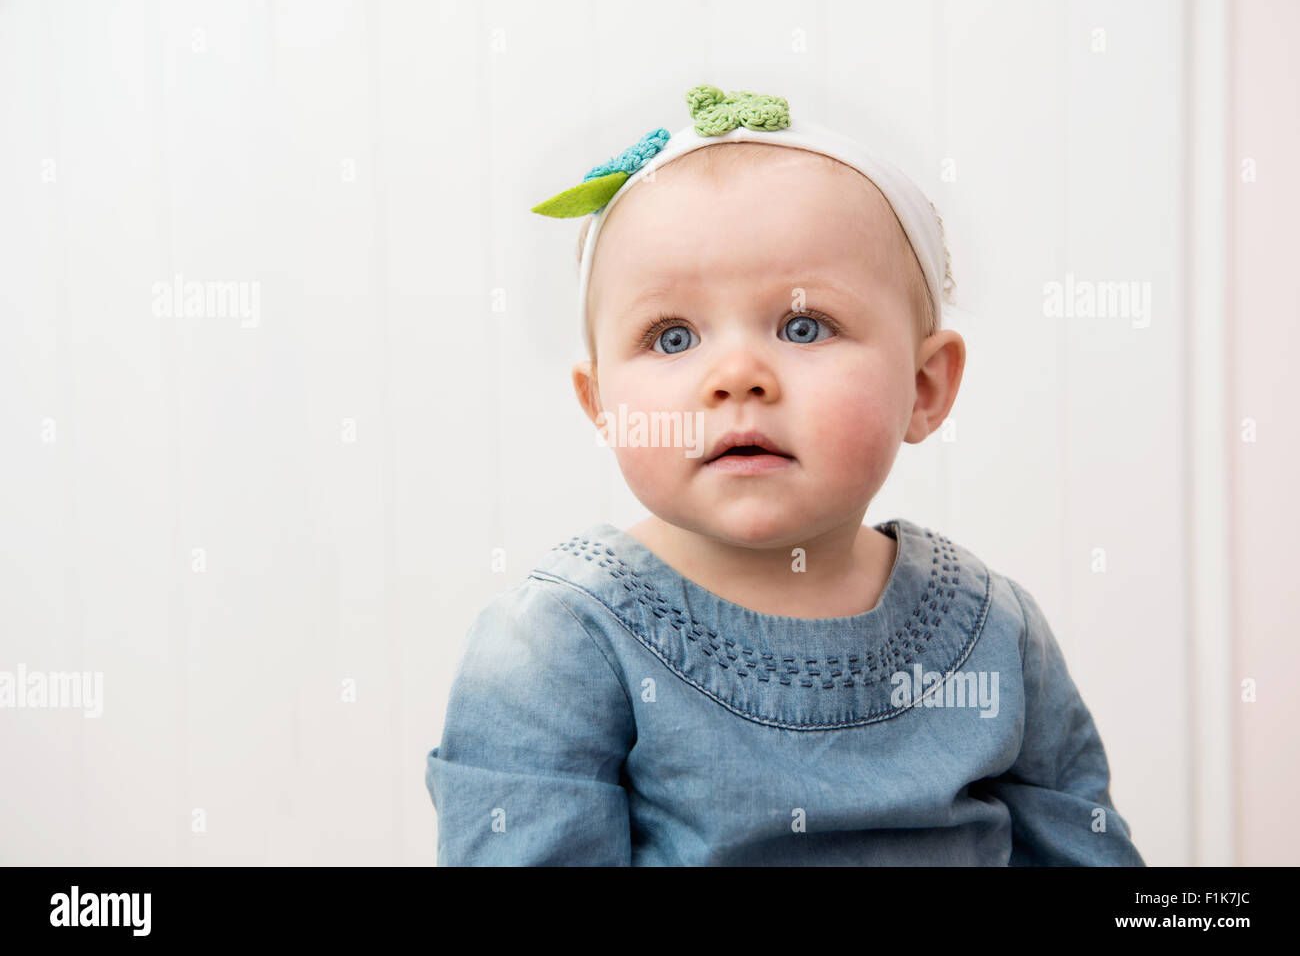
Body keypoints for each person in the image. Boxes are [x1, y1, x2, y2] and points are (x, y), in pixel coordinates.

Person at [424, 84, 1145, 866]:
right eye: (671, 337)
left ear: (924, 387)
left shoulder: (995, 629)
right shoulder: (552, 646)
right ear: (601, 404)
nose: (737, 375)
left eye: (805, 326)